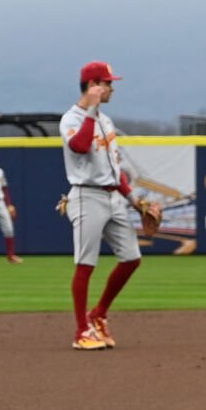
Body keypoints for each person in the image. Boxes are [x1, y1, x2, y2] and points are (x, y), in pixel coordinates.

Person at [60, 62, 142, 351]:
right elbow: (80, 147)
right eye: (106, 83)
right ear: (92, 85)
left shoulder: (105, 120)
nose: (111, 88)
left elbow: (114, 168)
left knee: (132, 258)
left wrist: (134, 200)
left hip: (112, 196)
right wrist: (91, 111)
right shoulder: (71, 119)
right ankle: (82, 331)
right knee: (85, 264)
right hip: (86, 196)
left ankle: (99, 314)